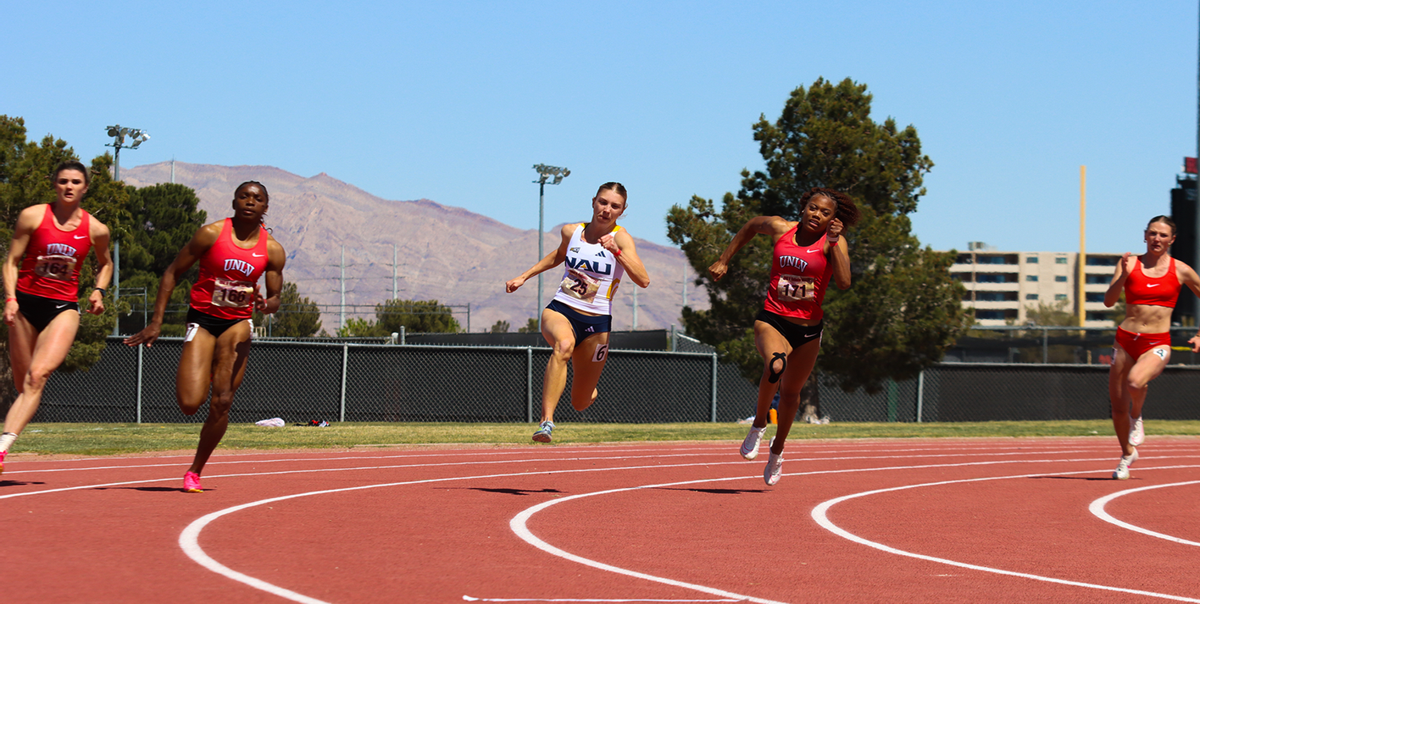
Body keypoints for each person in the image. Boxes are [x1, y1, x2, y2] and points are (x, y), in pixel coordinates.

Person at [124, 181, 286, 492]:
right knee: (189, 403)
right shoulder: (211, 234)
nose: (250, 202)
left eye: (257, 198)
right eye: (243, 196)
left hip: (237, 322)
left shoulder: (273, 250)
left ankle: (195, 470)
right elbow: (172, 273)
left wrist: (266, 304)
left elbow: (276, 297)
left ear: (265, 207)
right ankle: (207, 367)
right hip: (203, 320)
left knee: (222, 400)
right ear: (234, 202)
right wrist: (156, 322)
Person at [708, 187, 859, 485]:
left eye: (825, 213)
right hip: (773, 319)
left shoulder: (834, 241)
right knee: (776, 365)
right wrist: (724, 259)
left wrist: (833, 243)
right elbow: (752, 225)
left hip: (808, 330)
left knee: (791, 394)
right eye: (813, 208)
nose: (817, 215)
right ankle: (758, 424)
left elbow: (843, 282)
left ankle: (777, 450)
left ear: (833, 219)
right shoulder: (781, 228)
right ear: (803, 207)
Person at [505, 182, 650, 443]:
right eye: (602, 202)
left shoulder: (621, 239)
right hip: (561, 309)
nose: (606, 209)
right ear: (593, 201)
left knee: (580, 402)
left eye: (614, 206)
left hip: (597, 324)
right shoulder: (571, 231)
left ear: (622, 210)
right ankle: (546, 422)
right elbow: (558, 255)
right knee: (563, 346)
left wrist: (616, 251)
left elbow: (643, 280)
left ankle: (589, 391)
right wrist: (524, 276)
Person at [1, 161, 114, 473]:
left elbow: (106, 263)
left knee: (37, 376)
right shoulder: (32, 216)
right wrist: (10, 298)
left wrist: (99, 290)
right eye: (63, 181)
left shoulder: (96, 229)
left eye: (75, 182)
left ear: (85, 188)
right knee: (24, 384)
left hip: (62, 309)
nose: (69, 186)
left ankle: (2, 447)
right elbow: (11, 261)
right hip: (24, 306)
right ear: (54, 184)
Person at [1102, 215, 1201, 480]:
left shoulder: (1181, 270)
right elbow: (1109, 302)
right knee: (1117, 408)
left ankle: (1137, 415)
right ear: (1145, 235)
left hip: (1156, 342)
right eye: (1152, 233)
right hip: (1125, 340)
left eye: (1163, 235)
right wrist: (1123, 276)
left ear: (1172, 240)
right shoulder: (1128, 263)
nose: (1157, 238)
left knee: (1135, 383)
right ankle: (1127, 454)